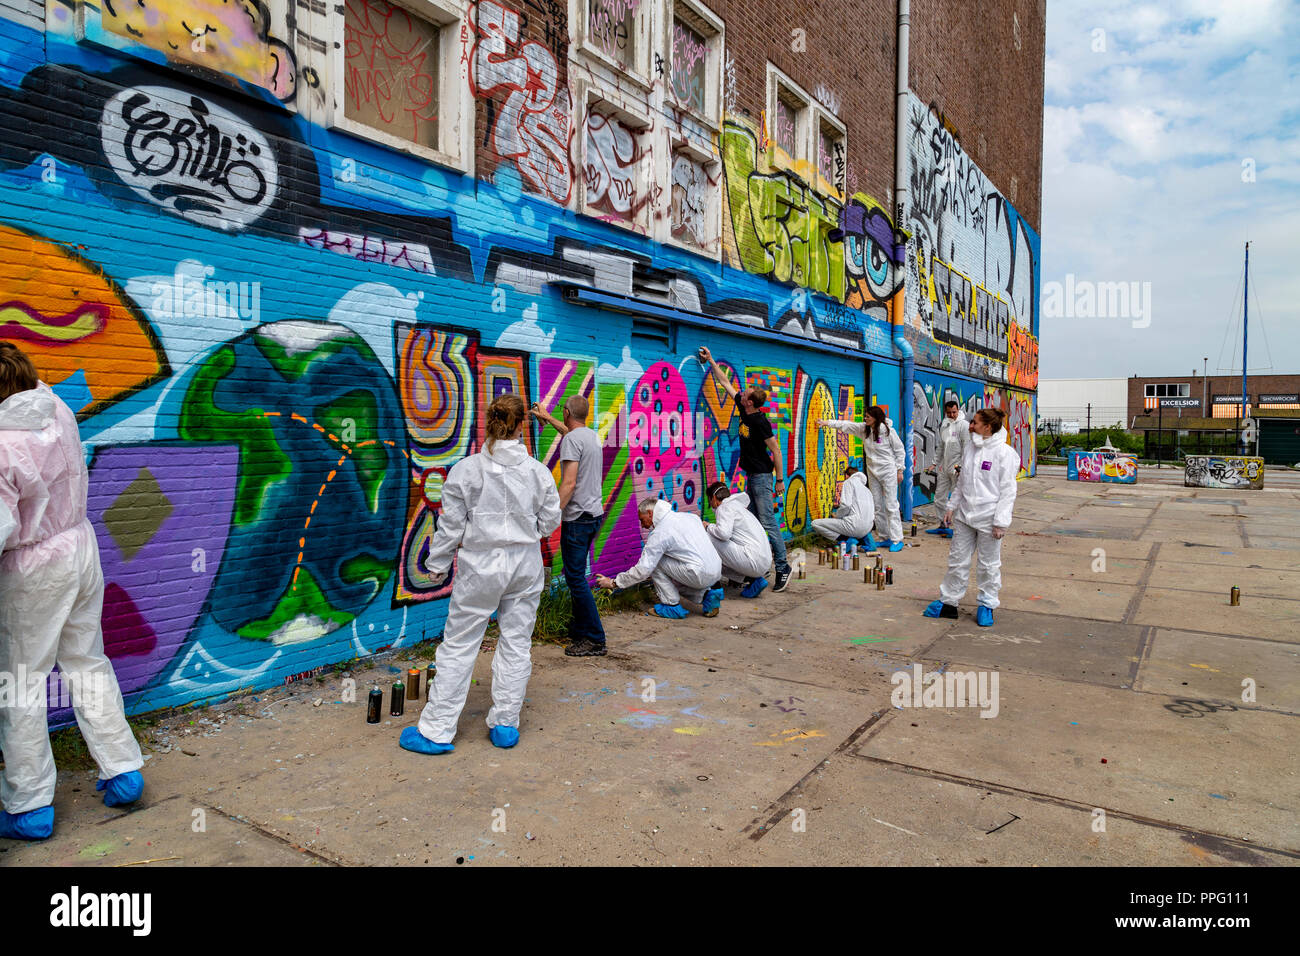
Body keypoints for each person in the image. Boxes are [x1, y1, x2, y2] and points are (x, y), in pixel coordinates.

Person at [0, 342, 145, 840]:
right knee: (87, 660)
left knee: (21, 682)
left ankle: (29, 806)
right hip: (81, 548)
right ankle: (123, 770)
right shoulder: (54, 406)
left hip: (33, 568)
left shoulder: (1, 447)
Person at [402, 393, 561, 754]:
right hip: (525, 565)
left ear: (489, 422)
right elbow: (551, 520)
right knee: (516, 642)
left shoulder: (466, 470)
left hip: (481, 567)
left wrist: (436, 565)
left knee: (459, 645)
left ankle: (437, 731)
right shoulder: (538, 473)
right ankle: (505, 724)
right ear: (522, 425)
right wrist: (527, 533)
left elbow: (450, 527)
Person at [696, 346, 790, 592]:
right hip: (751, 474)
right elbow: (725, 382)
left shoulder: (760, 422)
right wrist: (712, 359)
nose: (741, 393)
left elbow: (777, 451)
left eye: (744, 394)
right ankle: (757, 570)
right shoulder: (743, 407)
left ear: (750, 402)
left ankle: (783, 567)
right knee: (756, 521)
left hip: (762, 476)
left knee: (767, 521)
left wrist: (779, 480)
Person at [923, 407, 1019, 627]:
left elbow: (1008, 491)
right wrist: (951, 507)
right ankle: (949, 602)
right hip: (965, 516)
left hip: (989, 519)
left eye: (975, 422)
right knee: (957, 560)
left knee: (988, 565)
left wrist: (1001, 522)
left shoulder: (1005, 454)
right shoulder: (971, 448)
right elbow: (962, 482)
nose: (971, 425)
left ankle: (987, 604)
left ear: (988, 427)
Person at [530, 395, 606, 657]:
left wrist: (549, 516)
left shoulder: (574, 441)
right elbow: (570, 434)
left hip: (577, 518)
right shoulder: (590, 436)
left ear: (566, 412)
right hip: (594, 516)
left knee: (575, 579)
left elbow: (569, 484)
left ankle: (595, 638)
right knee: (578, 577)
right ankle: (581, 629)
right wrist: (548, 417)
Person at [595, 498, 723, 619]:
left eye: (642, 519)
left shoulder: (660, 533)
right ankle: (707, 596)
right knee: (672, 567)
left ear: (650, 513)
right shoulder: (691, 517)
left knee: (655, 563)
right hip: (717, 571)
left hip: (699, 574)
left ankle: (671, 606)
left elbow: (643, 569)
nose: (642, 525)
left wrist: (614, 583)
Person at [817, 405, 906, 551]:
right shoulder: (864, 429)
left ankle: (897, 539)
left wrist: (900, 470)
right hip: (873, 471)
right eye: (865, 416)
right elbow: (846, 425)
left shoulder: (888, 432)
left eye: (868, 417)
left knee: (891, 504)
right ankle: (884, 537)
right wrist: (827, 423)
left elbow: (899, 450)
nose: (865, 419)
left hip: (888, 470)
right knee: (877, 505)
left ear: (876, 418)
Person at [704, 481, 773, 598]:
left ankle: (714, 588)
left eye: (710, 500)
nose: (710, 504)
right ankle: (753, 580)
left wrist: (708, 526)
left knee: (708, 537)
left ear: (714, 498)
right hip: (764, 561)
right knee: (720, 562)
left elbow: (724, 534)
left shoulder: (724, 508)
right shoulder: (737, 507)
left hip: (754, 560)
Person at [925, 401, 969, 538]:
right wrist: (934, 463)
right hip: (944, 467)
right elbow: (941, 447)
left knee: (957, 499)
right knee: (939, 497)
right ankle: (943, 524)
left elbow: (966, 448)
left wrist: (962, 466)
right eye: (949, 412)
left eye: (954, 412)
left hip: (957, 468)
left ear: (958, 410)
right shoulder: (944, 424)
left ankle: (958, 529)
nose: (952, 415)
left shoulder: (964, 426)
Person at [810, 465, 876, 549]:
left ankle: (847, 539)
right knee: (852, 524)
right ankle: (861, 540)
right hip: (867, 529)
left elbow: (846, 505)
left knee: (815, 523)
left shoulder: (849, 482)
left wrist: (837, 516)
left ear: (847, 476)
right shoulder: (867, 491)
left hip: (854, 526)